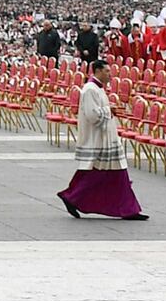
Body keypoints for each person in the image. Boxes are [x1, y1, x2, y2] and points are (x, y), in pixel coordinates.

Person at [58, 61, 148, 221]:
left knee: (116, 173)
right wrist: (108, 110)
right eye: (107, 71)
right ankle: (72, 196)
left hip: (107, 136)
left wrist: (108, 109)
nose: (110, 74)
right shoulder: (90, 89)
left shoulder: (97, 88)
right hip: (99, 138)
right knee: (99, 172)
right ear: (98, 71)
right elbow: (92, 115)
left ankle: (129, 209)